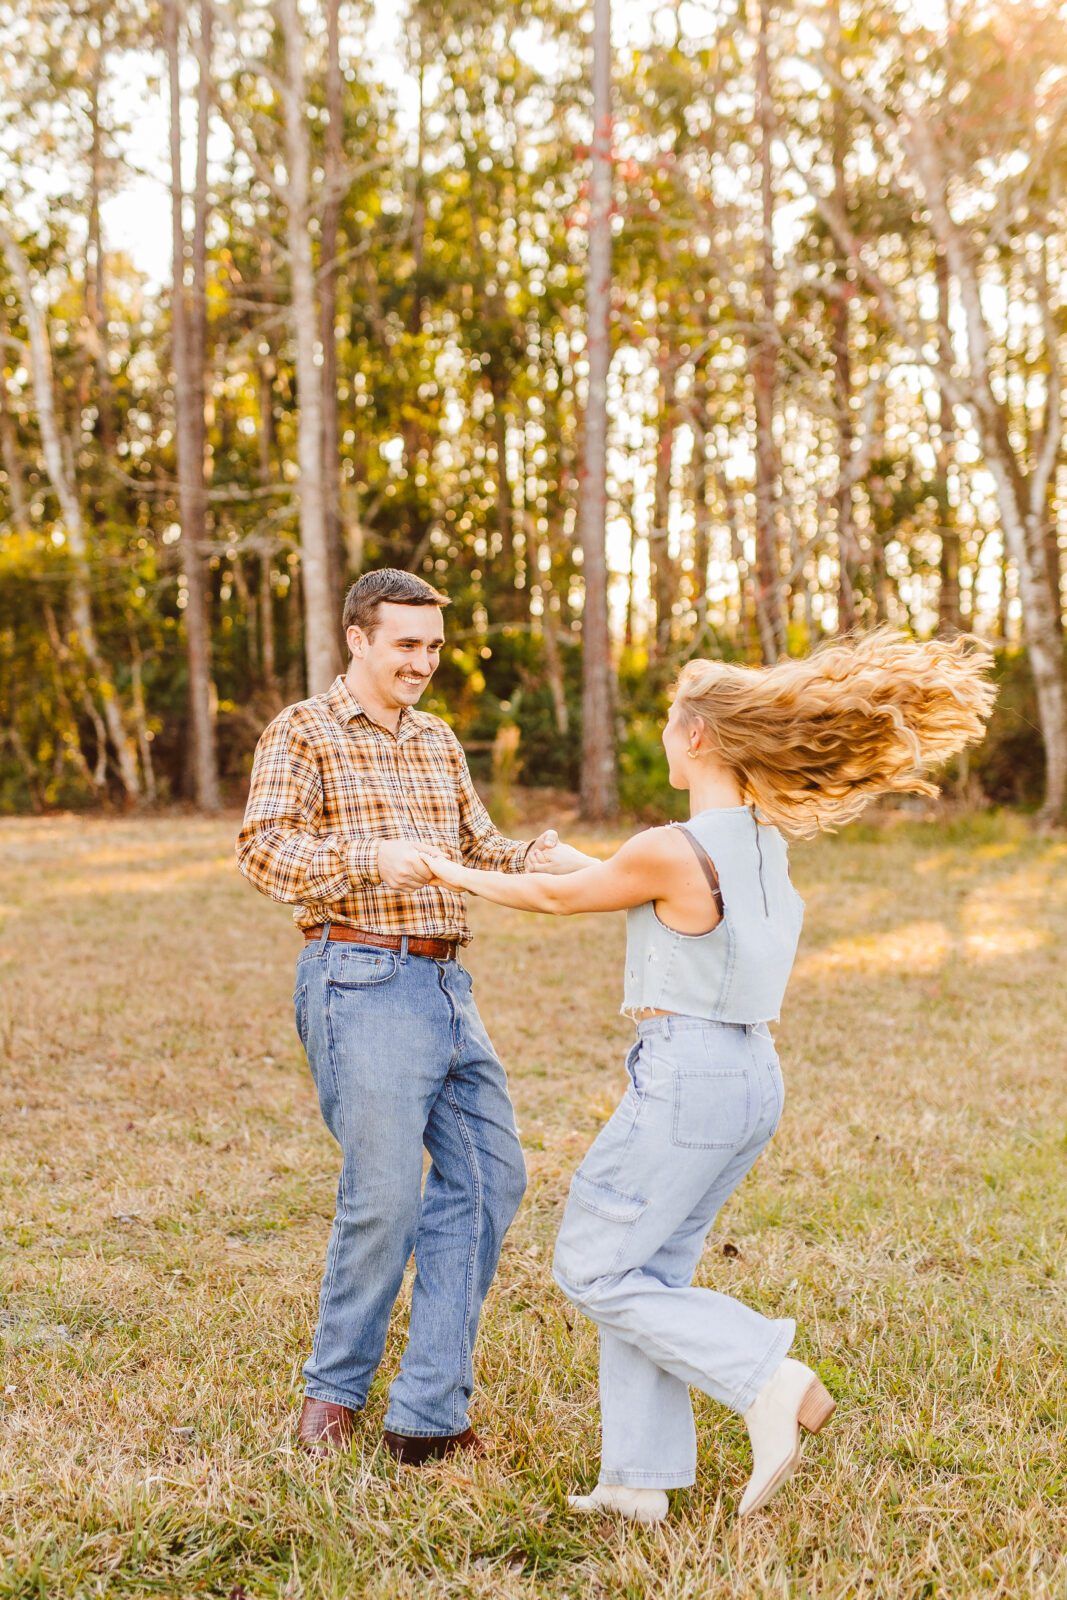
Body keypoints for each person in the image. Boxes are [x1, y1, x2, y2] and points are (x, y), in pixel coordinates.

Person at [419, 631, 995, 1521]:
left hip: (686, 1080)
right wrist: (568, 860)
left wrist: (435, 868)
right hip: (748, 1076)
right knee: (647, 1274)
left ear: (695, 738)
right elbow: (645, 891)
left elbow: (561, 900)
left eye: (665, 722)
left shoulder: (669, 845)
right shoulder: (757, 844)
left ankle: (767, 1373)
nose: (661, 735)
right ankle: (636, 1481)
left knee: (594, 1269)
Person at [236, 568, 560, 1464]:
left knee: (493, 1179)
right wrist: (372, 859)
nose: (422, 661)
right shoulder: (301, 730)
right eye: (405, 644)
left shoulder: (438, 740)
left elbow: (476, 847)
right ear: (358, 638)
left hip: (449, 987)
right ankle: (331, 1397)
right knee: (382, 1195)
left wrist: (548, 855)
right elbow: (264, 851)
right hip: (358, 977)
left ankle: (427, 1413)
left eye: (433, 646)